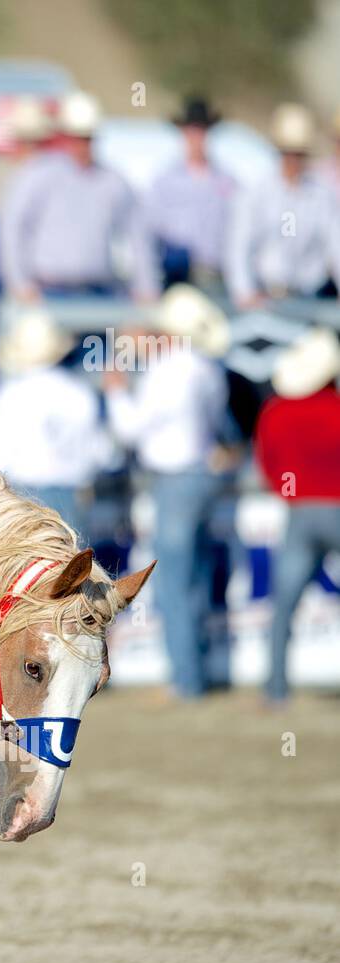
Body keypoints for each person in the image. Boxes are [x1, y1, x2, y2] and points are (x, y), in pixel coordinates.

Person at [103, 285, 233, 699]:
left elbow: (130, 428)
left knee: (174, 580)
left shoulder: (168, 371)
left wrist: (115, 391)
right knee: (193, 575)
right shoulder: (208, 369)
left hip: (175, 479)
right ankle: (195, 670)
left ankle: (186, 680)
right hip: (199, 475)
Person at [0, 91, 159, 302]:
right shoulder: (38, 175)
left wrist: (146, 287)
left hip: (99, 291)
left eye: (87, 138)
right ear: (65, 136)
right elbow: (12, 230)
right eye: (76, 137)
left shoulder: (113, 181)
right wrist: (19, 284)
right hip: (48, 291)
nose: (82, 145)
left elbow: (138, 233)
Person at [254, 327, 340, 706]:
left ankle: (275, 690)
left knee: (284, 604)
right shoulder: (335, 409)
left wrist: (290, 492)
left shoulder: (276, 412)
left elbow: (268, 464)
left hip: (299, 512)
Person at [0, 308, 108, 541]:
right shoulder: (81, 393)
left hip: (24, 499)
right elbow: (100, 453)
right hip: (73, 496)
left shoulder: (11, 393)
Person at [226, 104, 340, 309]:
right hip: (264, 298)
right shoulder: (256, 192)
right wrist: (244, 291)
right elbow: (239, 246)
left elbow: (336, 245)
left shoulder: (322, 196)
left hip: (310, 299)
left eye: (299, 154)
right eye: (288, 153)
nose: (293, 160)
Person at [143, 98, 236, 291]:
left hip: (215, 275)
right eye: (192, 131)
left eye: (201, 131)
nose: (196, 138)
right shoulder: (165, 181)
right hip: (176, 276)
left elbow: (236, 232)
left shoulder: (227, 182)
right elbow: (150, 230)